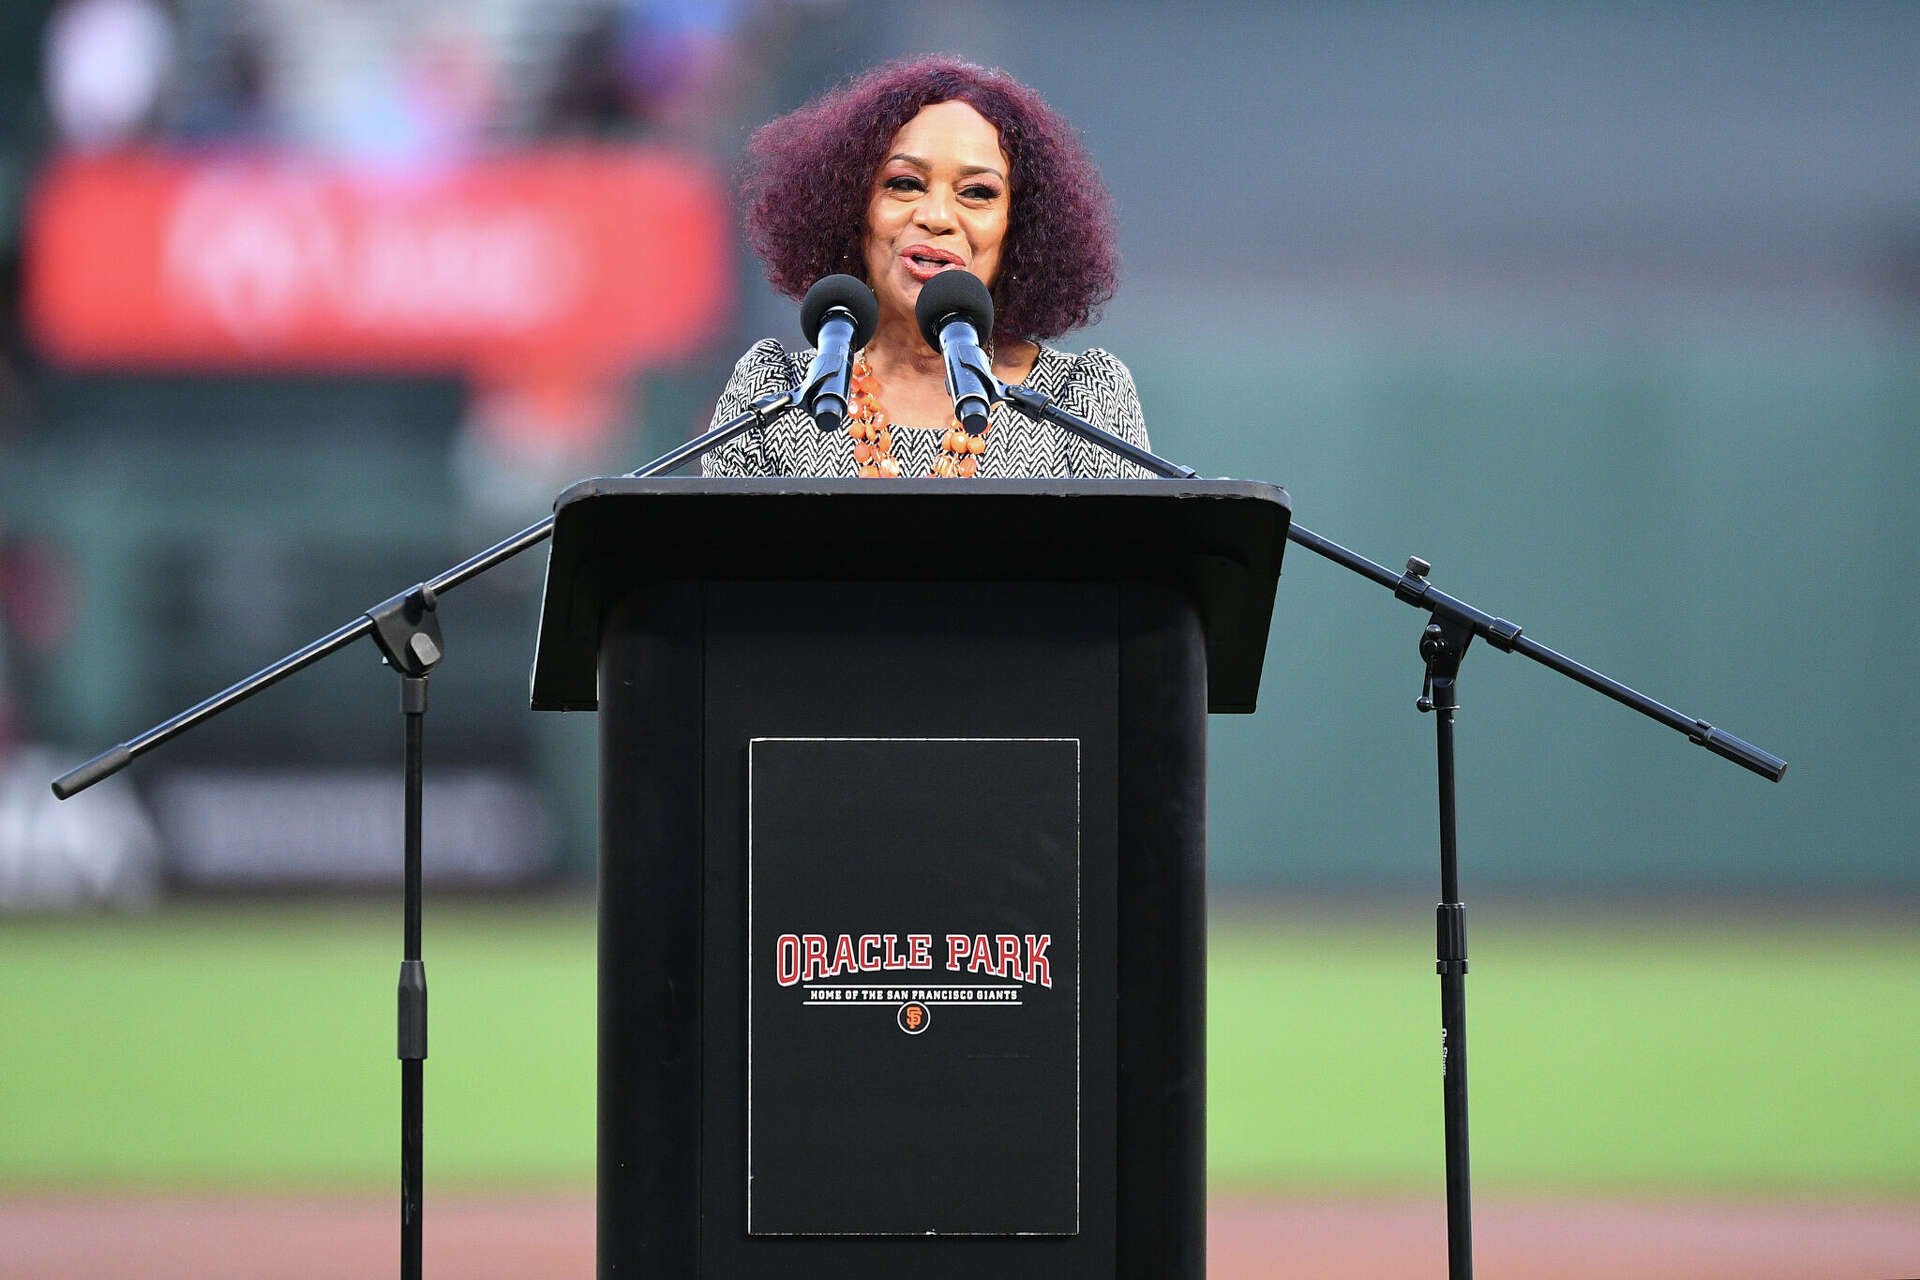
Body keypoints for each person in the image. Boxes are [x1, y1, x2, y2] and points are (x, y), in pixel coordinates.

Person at [701, 57, 1152, 479]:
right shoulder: (775, 394)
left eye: (977, 192)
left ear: (1022, 226)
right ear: (851, 207)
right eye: (905, 184)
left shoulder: (1079, 401)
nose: (936, 216)